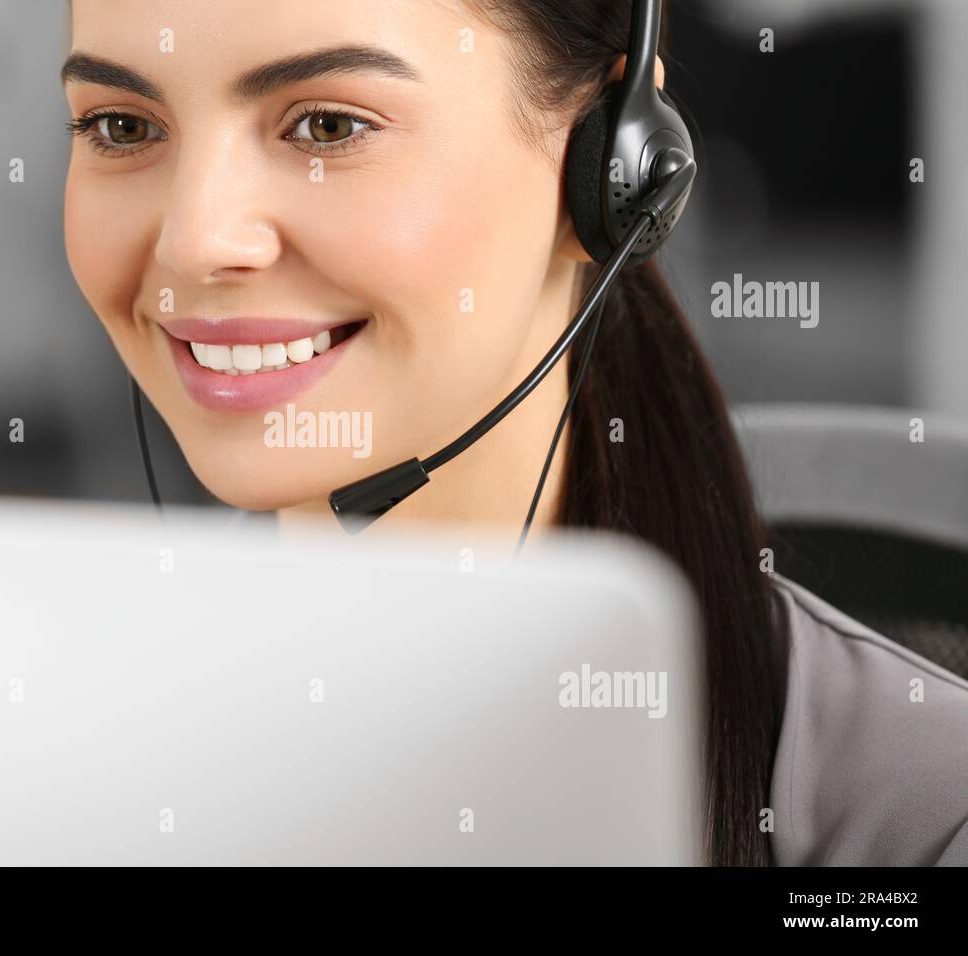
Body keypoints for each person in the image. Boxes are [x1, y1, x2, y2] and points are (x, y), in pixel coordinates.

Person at [59, 0, 968, 865]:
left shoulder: (922, 819)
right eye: (122, 127)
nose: (192, 241)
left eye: (328, 127)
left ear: (613, 169)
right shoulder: (40, 738)